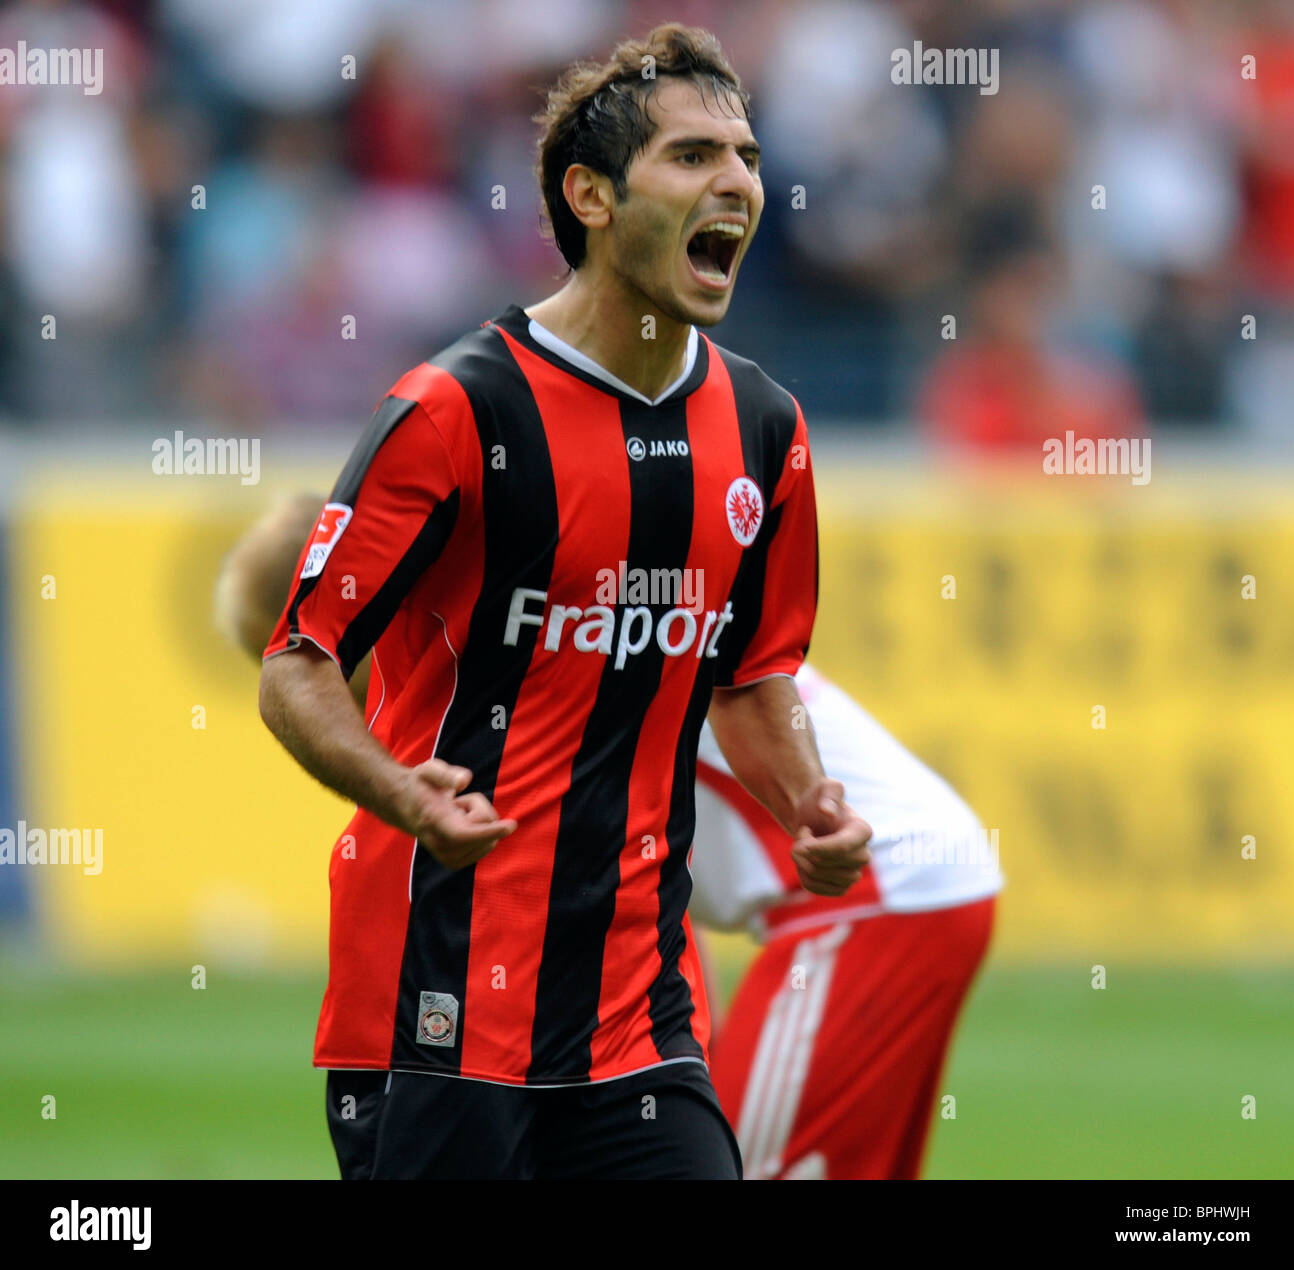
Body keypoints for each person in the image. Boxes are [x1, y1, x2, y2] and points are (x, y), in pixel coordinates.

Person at [254, 23, 870, 1181]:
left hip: (639, 1013)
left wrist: (805, 804)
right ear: (588, 195)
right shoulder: (454, 413)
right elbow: (297, 660)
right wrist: (399, 790)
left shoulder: (765, 430)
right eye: (691, 157)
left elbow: (750, 675)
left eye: (743, 155)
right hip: (433, 1003)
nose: (734, 180)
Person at [221, 514, 999, 1182]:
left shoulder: (503, 672)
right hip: (899, 883)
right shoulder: (548, 602)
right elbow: (643, 911)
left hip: (873, 894)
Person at [692, 666, 1001, 1179]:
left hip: (871, 893)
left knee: (736, 1167)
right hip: (917, 882)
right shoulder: (670, 622)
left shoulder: (579, 659)